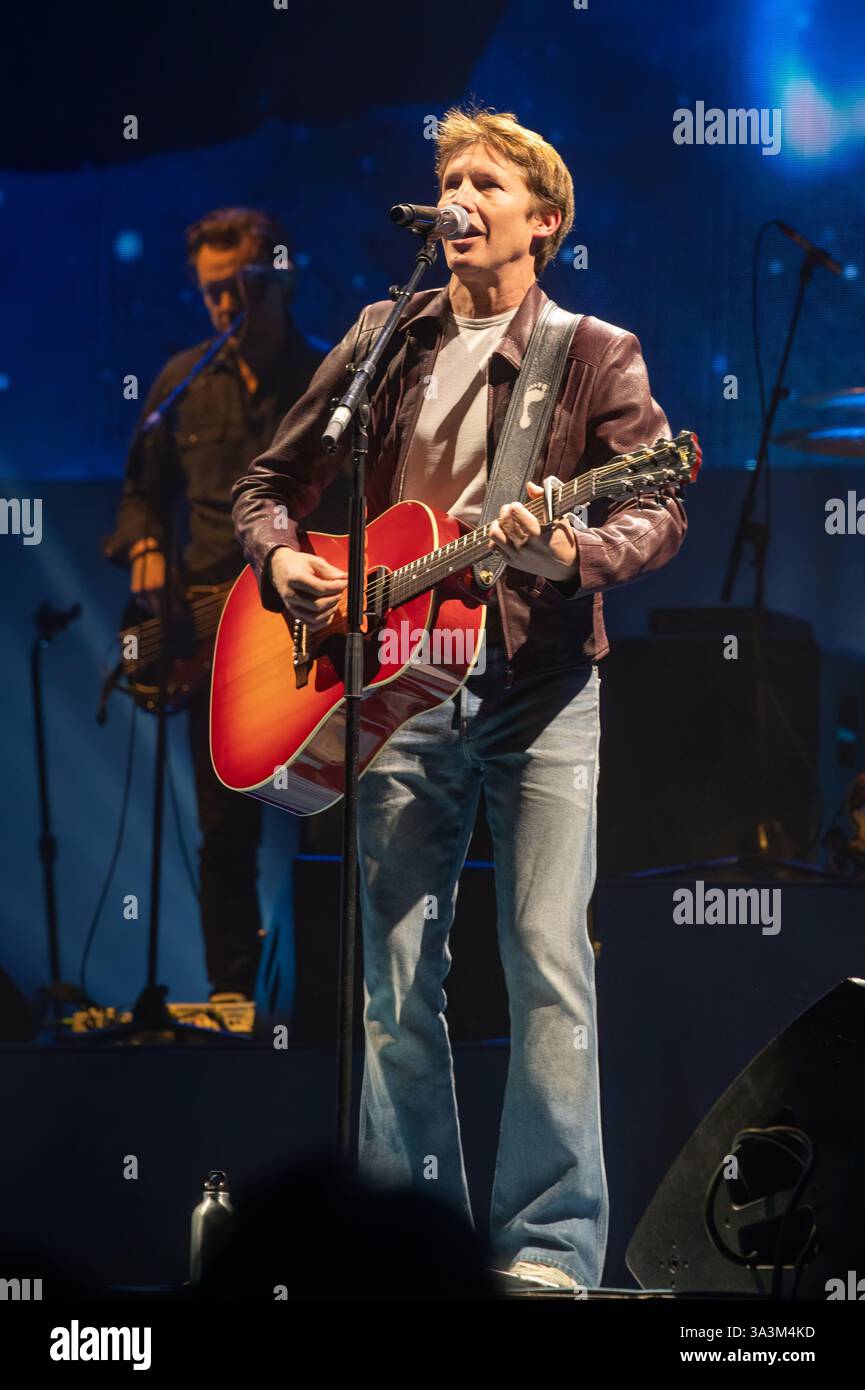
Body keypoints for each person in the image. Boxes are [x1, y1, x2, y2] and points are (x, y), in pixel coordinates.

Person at [230, 107, 688, 1289]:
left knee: (546, 962)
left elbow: (657, 509)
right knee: (394, 982)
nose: (457, 197)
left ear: (543, 219)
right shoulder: (387, 334)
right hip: (397, 691)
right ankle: (408, 1250)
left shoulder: (594, 350)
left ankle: (546, 1252)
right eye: (446, 177)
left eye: (482, 181)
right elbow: (268, 483)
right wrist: (281, 560)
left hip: (538, 693)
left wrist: (569, 555)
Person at [103, 207, 323, 1002]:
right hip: (205, 636)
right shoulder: (179, 384)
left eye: (239, 290)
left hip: (304, 635)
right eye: (210, 294)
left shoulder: (330, 380)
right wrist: (144, 545)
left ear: (279, 280)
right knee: (221, 831)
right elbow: (140, 490)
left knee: (322, 819)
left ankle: (323, 994)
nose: (225, 308)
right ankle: (230, 994)